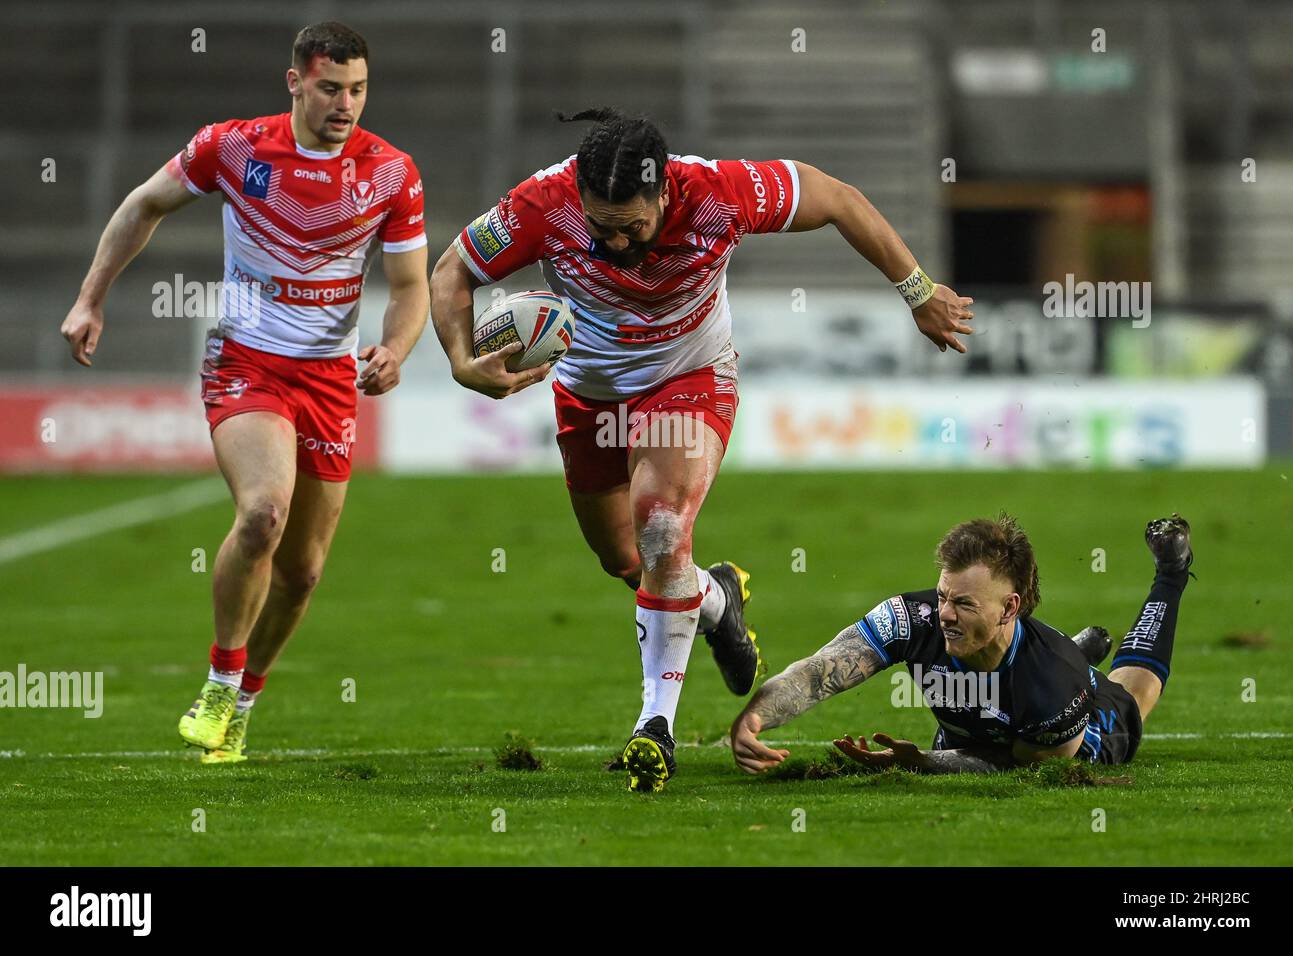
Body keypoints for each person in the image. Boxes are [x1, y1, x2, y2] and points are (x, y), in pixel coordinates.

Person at [430, 107, 975, 791]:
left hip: (688, 377)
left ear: (663, 194)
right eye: (602, 228)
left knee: (662, 527)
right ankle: (716, 599)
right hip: (589, 395)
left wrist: (918, 291)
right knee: (624, 559)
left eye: (632, 225)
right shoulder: (544, 203)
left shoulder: (720, 193)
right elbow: (452, 269)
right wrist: (459, 357)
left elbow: (837, 198)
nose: (617, 242)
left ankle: (653, 726)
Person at [59, 22, 430, 764]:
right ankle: (218, 685)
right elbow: (143, 205)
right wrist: (90, 298)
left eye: (357, 89)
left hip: (328, 380)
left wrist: (394, 349)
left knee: (303, 573)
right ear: (294, 82)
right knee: (262, 514)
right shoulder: (233, 146)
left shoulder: (391, 173)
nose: (345, 104)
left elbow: (411, 286)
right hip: (247, 362)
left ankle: (244, 701)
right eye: (330, 87)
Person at [730, 513, 1192, 775]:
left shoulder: (1053, 685)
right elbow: (819, 673)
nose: (945, 613)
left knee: (1133, 694)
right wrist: (755, 715)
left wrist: (923, 763)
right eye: (943, 595)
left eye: (964, 604)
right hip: (999, 705)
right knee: (1019, 690)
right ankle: (1076, 652)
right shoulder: (916, 619)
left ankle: (1170, 576)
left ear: (1009, 607)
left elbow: (1023, 769)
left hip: (1071, 734)